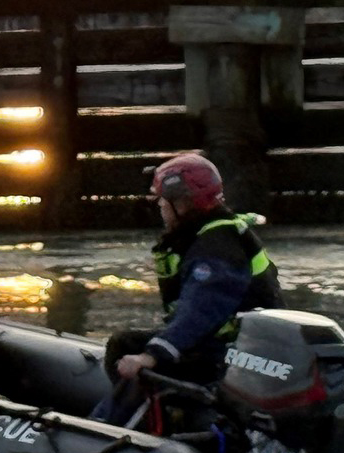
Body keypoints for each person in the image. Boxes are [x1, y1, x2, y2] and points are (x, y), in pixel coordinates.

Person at [93, 152, 282, 431]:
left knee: (147, 364)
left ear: (181, 203)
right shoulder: (210, 233)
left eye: (162, 200)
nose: (159, 207)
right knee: (124, 344)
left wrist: (152, 356)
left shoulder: (215, 248)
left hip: (236, 354)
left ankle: (108, 427)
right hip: (233, 345)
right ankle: (165, 415)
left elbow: (201, 312)